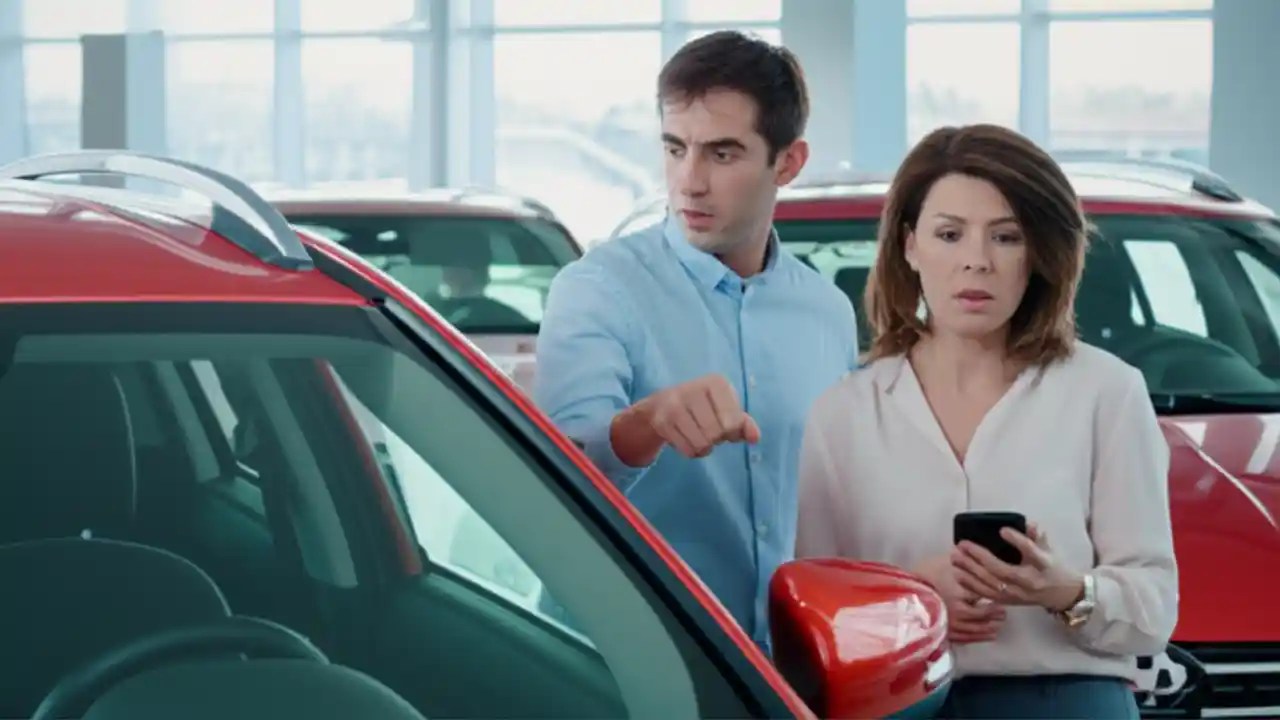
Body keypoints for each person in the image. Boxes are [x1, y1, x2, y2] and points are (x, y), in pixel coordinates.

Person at [794, 124, 1178, 718]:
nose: (976, 261)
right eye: (950, 234)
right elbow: (811, 617)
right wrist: (914, 598)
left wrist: (1068, 592)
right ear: (909, 245)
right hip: (897, 708)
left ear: (1040, 256)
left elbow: (1154, 608)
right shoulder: (843, 414)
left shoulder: (1107, 392)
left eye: (1006, 237)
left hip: (1067, 701)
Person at [534, 30, 858, 652]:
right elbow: (559, 485)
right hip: (626, 668)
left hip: (783, 673)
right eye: (676, 148)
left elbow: (833, 510)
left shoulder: (827, 315)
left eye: (723, 154)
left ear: (787, 163)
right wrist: (647, 424)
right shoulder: (597, 288)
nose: (690, 181)